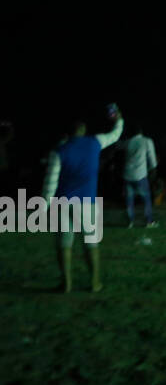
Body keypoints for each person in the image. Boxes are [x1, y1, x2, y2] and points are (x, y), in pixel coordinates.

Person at [43, 109, 124, 293]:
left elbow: (50, 181)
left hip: (63, 203)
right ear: (83, 130)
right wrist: (118, 119)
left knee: (64, 245)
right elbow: (115, 134)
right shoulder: (94, 143)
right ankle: (95, 282)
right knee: (91, 244)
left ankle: (67, 283)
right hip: (88, 202)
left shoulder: (59, 151)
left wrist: (45, 205)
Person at [121, 123, 158, 227]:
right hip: (140, 174)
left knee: (129, 199)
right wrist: (153, 168)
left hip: (127, 174)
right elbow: (151, 157)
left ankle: (130, 221)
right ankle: (149, 221)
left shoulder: (127, 142)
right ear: (141, 131)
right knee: (146, 199)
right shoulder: (146, 141)